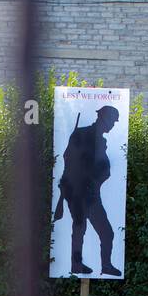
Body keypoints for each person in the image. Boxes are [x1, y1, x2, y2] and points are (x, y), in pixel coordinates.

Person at [54, 105, 121, 277]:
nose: (113, 125)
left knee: (86, 230)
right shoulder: (85, 135)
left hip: (86, 191)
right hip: (81, 192)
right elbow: (69, 160)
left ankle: (96, 266)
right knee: (87, 229)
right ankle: (90, 266)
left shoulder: (96, 138)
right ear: (103, 119)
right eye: (112, 121)